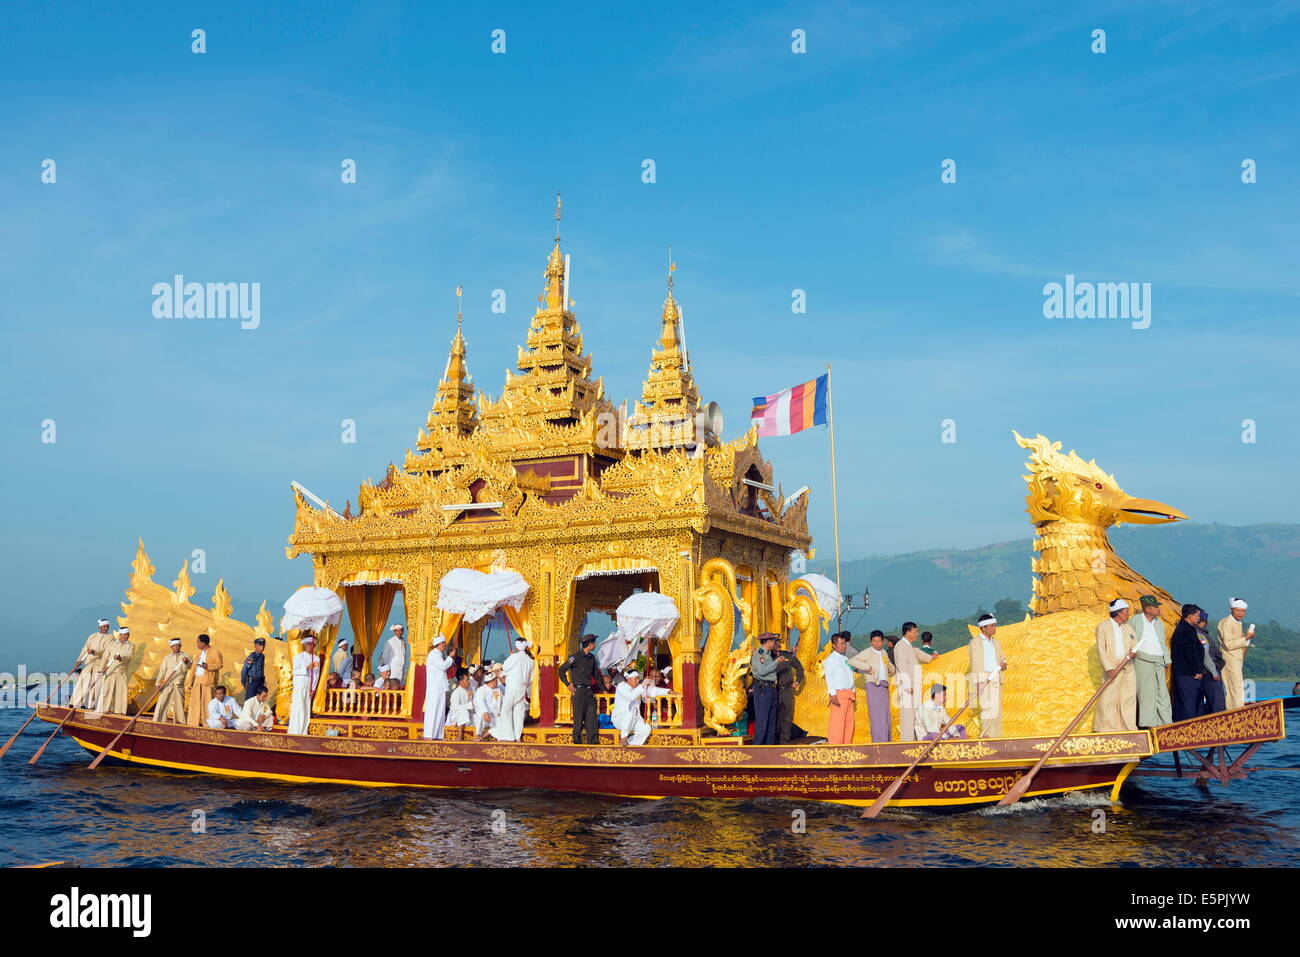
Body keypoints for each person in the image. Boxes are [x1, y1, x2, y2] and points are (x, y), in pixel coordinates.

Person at [1093, 599, 1138, 732]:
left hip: (1127, 665)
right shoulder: (1103, 627)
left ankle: (1128, 728)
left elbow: (1134, 642)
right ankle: (1106, 728)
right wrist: (1108, 668)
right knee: (1108, 698)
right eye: (1126, 612)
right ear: (1118, 613)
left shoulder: (1128, 627)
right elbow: (1101, 649)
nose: (1128, 614)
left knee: (1128, 697)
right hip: (1112, 667)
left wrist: (1134, 651)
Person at [1132, 595, 1172, 727]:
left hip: (1159, 661)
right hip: (1143, 660)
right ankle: (1149, 725)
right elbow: (1129, 640)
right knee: (1147, 694)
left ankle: (1165, 723)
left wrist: (1166, 660)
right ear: (1148, 609)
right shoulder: (1136, 620)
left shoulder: (1158, 623)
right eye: (1155, 607)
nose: (1158, 609)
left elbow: (1162, 642)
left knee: (1162, 694)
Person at [966, 614, 1007, 737]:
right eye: (991, 626)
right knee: (987, 710)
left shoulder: (996, 642)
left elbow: (1002, 658)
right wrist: (978, 682)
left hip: (996, 678)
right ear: (983, 628)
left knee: (996, 711)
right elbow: (975, 663)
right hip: (984, 679)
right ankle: (985, 738)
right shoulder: (975, 642)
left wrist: (1004, 664)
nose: (994, 628)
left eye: (995, 625)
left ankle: (996, 738)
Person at [848, 631, 894, 741]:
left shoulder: (883, 652)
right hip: (874, 686)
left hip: (884, 686)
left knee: (885, 715)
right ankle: (879, 741)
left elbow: (888, 664)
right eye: (874, 641)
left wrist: (892, 670)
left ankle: (886, 741)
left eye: (879, 641)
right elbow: (852, 660)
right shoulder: (868, 652)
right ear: (871, 641)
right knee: (877, 716)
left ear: (882, 642)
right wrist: (867, 667)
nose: (876, 643)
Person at [558, 634, 601, 745]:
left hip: (589, 692)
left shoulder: (592, 658)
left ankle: (593, 745)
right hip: (578, 691)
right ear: (590, 644)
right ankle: (577, 746)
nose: (595, 644)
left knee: (592, 721)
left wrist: (603, 690)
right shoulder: (575, 657)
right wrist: (568, 684)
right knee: (578, 721)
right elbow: (561, 670)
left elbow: (597, 676)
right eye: (594, 642)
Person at [896, 622, 935, 742]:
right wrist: (907, 685)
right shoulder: (900, 646)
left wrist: (932, 657)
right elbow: (902, 666)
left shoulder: (910, 647)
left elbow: (919, 653)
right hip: (908, 689)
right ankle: (906, 744)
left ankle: (915, 742)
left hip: (914, 688)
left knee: (916, 717)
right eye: (915, 631)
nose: (917, 634)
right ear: (908, 632)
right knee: (907, 718)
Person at [489, 638, 534, 741]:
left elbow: (505, 667)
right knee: (519, 712)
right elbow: (531, 677)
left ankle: (508, 736)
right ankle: (517, 737)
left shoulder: (514, 657)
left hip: (512, 688)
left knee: (506, 711)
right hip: (522, 689)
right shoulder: (530, 661)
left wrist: (510, 657)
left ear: (517, 646)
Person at [1170, 604, 1207, 721]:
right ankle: (1190, 728)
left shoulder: (1186, 628)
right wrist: (1197, 670)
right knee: (1189, 703)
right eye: (1197, 615)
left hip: (1184, 673)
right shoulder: (1185, 631)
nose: (1198, 618)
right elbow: (1191, 652)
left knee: (1187, 702)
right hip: (1187, 673)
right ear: (1190, 616)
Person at [1217, 598, 1253, 710]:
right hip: (1230, 659)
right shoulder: (1227, 622)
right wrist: (1246, 638)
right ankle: (1237, 714)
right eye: (1237, 610)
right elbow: (1228, 644)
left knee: (1235, 689)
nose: (1240, 613)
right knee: (1235, 689)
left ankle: (1234, 712)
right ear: (1231, 609)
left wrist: (1246, 639)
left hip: (1236, 660)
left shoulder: (1237, 622)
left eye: (1242, 611)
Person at [71, 618, 111, 710]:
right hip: (89, 662)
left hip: (100, 664)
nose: (106, 628)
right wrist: (79, 659)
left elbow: (105, 650)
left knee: (96, 685)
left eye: (107, 626)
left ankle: (91, 705)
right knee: (83, 681)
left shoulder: (110, 638)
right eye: (104, 626)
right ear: (100, 627)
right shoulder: (92, 636)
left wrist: (94, 652)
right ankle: (76, 702)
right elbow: (85, 648)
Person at [823, 632, 856, 745]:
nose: (844, 646)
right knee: (837, 723)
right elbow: (829, 677)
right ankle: (835, 747)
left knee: (849, 722)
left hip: (849, 693)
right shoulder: (830, 660)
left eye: (844, 643)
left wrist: (853, 690)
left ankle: (846, 746)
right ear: (834, 645)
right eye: (841, 644)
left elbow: (850, 674)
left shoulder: (845, 659)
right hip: (838, 694)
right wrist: (833, 694)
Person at [185, 634, 224, 726]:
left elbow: (219, 664)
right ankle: (192, 723)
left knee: (207, 703)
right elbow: (193, 668)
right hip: (197, 680)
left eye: (198, 642)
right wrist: (190, 681)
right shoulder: (198, 653)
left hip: (208, 681)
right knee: (194, 702)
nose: (197, 644)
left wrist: (207, 666)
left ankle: (208, 723)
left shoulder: (215, 652)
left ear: (203, 643)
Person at [749, 633, 781, 745]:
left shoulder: (768, 654)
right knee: (762, 720)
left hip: (771, 688)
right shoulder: (759, 654)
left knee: (772, 721)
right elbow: (762, 671)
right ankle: (758, 748)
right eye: (773, 641)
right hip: (763, 689)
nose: (774, 643)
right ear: (768, 642)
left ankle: (769, 747)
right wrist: (776, 663)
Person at [423, 634, 456, 740]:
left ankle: (438, 735)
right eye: (443, 644)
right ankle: (429, 735)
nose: (445, 646)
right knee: (433, 711)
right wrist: (450, 657)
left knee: (440, 711)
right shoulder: (433, 654)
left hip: (440, 688)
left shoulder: (439, 655)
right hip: (434, 688)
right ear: (439, 644)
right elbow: (443, 666)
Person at [773, 635, 805, 744]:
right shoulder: (769, 657)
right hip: (775, 691)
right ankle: (773, 741)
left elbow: (800, 668)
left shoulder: (787, 655)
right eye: (775, 642)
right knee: (775, 717)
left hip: (787, 690)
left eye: (778, 642)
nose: (778, 644)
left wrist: (797, 681)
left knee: (787, 717)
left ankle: (784, 742)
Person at [97, 627, 135, 714]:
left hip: (122, 672)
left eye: (127, 635)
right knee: (106, 691)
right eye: (124, 635)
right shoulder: (111, 644)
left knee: (121, 692)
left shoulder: (131, 645)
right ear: (119, 635)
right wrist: (100, 670)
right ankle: (102, 710)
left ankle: (120, 712)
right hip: (110, 671)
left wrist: (120, 658)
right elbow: (105, 657)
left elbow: (129, 657)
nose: (125, 637)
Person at [288, 634, 320, 735]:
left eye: (313, 644)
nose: (311, 646)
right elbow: (295, 671)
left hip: (308, 686)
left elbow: (316, 675)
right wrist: (306, 668)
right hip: (299, 685)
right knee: (298, 708)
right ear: (305, 644)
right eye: (309, 644)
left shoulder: (316, 659)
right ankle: (294, 731)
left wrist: (313, 689)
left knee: (306, 709)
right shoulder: (298, 657)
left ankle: (303, 731)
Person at [153, 638, 191, 723]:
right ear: (171, 647)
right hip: (167, 683)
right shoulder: (167, 658)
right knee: (162, 702)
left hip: (179, 684)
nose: (176, 647)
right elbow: (162, 671)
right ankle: (158, 720)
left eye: (178, 645)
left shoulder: (185, 656)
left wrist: (186, 662)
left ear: (180, 646)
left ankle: (179, 722)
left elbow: (190, 666)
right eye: (174, 646)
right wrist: (158, 683)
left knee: (179, 704)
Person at [1195, 610, 1226, 715]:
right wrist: (1214, 672)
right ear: (1204, 621)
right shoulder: (1199, 634)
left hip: (1206, 671)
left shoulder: (1199, 633)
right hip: (1209, 673)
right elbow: (1205, 655)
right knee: (1217, 702)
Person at [611, 669, 653, 745]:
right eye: (635, 678)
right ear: (629, 679)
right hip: (620, 719)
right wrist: (642, 685)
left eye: (638, 678)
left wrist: (648, 688)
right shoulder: (621, 687)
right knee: (629, 714)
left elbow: (647, 695)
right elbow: (631, 696)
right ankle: (623, 738)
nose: (637, 680)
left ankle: (630, 743)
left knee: (646, 728)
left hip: (634, 719)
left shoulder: (638, 688)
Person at [473, 670, 503, 739]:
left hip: (496, 716)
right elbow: (480, 702)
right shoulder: (481, 690)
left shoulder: (499, 688)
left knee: (504, 724)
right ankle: (478, 734)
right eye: (496, 680)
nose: (497, 681)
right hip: (484, 717)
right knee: (481, 713)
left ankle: (483, 736)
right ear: (492, 681)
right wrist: (485, 712)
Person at [240, 638, 267, 702]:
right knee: (249, 702)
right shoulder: (251, 657)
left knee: (259, 701)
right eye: (260, 645)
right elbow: (244, 671)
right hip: (252, 684)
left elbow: (262, 669)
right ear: (255, 646)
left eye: (263, 645)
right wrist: (244, 684)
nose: (262, 647)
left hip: (260, 683)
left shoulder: (262, 656)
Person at [382, 623, 408, 688]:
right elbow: (385, 657)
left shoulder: (403, 641)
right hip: (392, 669)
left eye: (401, 630)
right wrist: (386, 671)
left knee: (400, 685)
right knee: (392, 686)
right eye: (397, 631)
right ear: (394, 632)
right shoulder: (389, 642)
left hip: (401, 669)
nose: (399, 632)